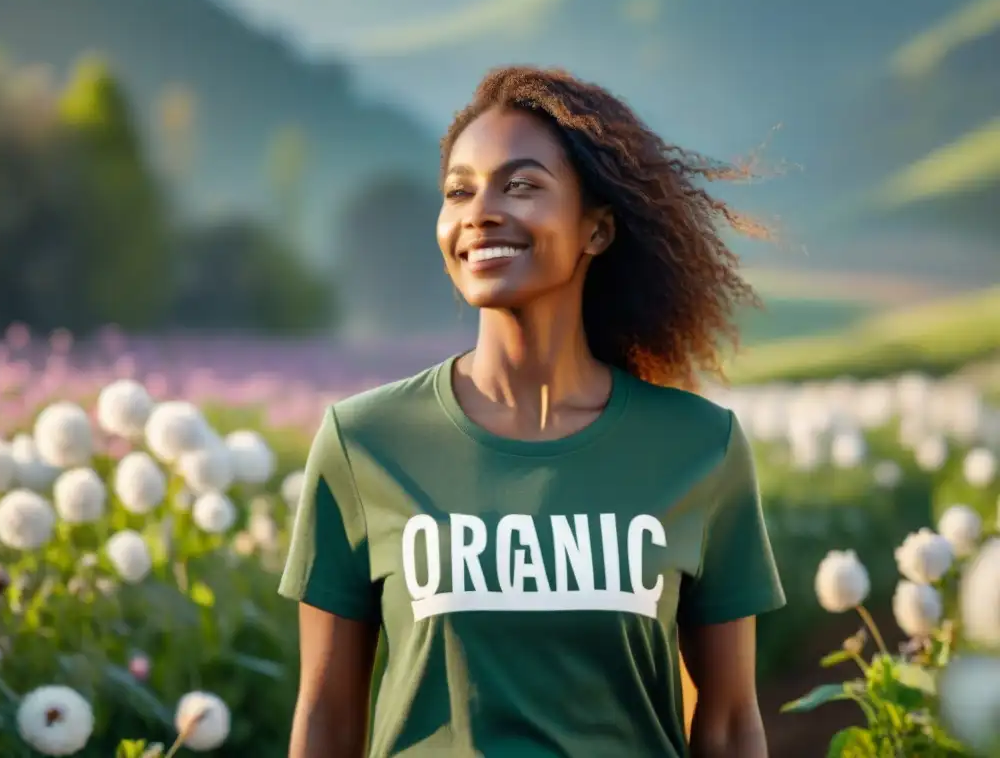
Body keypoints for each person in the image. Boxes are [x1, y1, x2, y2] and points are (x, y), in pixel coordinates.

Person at [279, 65, 786, 758]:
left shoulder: (700, 448)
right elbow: (325, 719)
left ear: (597, 230)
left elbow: (729, 723)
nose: (480, 211)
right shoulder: (363, 443)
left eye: (520, 185)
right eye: (459, 190)